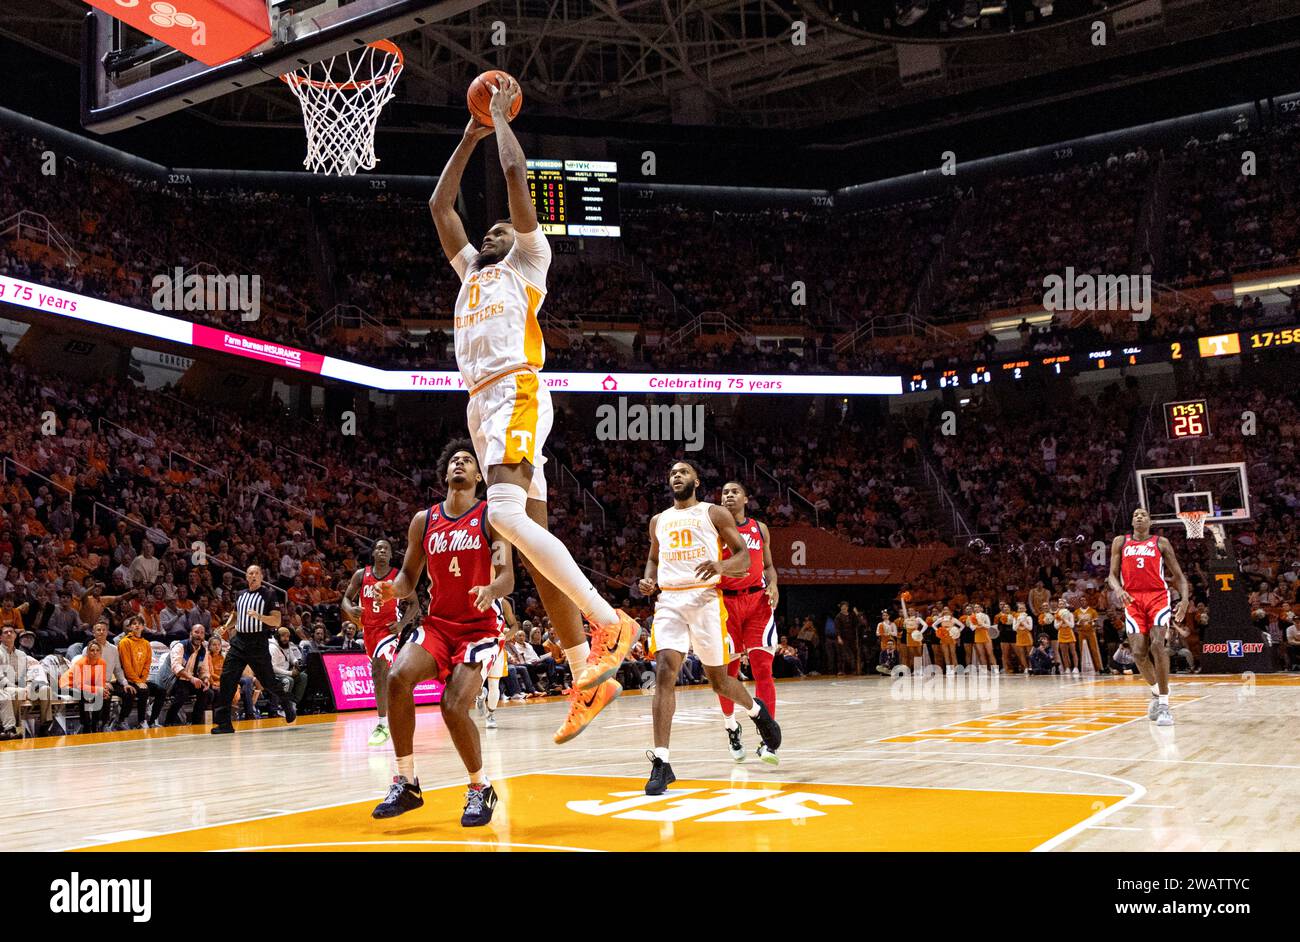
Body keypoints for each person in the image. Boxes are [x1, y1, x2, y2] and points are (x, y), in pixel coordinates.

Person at [429, 73, 638, 729]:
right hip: (482, 405)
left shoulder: (527, 260)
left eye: (499, 228)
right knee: (529, 538)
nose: (490, 230)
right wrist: (469, 135)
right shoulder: (471, 271)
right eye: (486, 230)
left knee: (501, 518)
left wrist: (501, 118)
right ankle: (585, 675)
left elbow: (517, 183)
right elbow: (440, 206)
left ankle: (609, 623)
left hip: (516, 390)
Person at [371, 442, 516, 826]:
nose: (459, 463)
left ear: (479, 478)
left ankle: (479, 788)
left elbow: (507, 577)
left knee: (453, 706)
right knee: (398, 677)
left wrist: (491, 590)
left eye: (467, 460)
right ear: (445, 473)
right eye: (454, 459)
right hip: (438, 624)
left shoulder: (492, 517)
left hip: (480, 627)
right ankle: (407, 782)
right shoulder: (424, 519)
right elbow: (407, 578)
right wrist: (394, 589)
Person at [638, 460, 782, 794]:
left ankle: (757, 712)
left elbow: (744, 557)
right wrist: (647, 579)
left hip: (705, 601)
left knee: (719, 680)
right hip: (670, 603)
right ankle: (662, 762)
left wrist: (720, 564)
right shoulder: (658, 520)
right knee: (664, 674)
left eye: (683, 472)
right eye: (672, 472)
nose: (677, 476)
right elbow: (653, 560)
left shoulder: (714, 513)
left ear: (696, 480)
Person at [714, 480, 780, 764]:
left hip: (756, 602)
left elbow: (768, 566)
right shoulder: (712, 529)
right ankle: (731, 727)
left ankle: (769, 740)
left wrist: (774, 584)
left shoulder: (760, 528)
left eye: (734, 492)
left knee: (762, 669)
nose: (728, 495)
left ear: (745, 499)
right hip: (725, 603)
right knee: (726, 675)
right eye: (724, 493)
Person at [1107, 508, 1191, 727]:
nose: (1139, 517)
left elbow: (1180, 577)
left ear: (1150, 521)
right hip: (1132, 600)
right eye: (1135, 514)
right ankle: (1157, 691)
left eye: (1143, 514)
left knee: (1157, 645)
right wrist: (1118, 589)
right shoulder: (1120, 542)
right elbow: (1112, 576)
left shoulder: (1160, 543)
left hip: (1157, 597)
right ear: (1132, 520)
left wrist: (1184, 600)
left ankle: (1164, 705)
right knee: (1137, 652)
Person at [341, 538, 418, 747]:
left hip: (389, 629)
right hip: (369, 630)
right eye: (379, 548)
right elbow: (345, 599)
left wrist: (402, 624)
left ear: (391, 555)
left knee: (378, 669)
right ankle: (395, 710)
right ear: (373, 553)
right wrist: (350, 609)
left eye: (386, 549)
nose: (382, 551)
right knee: (382, 675)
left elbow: (414, 605)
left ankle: (383, 724)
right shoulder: (361, 575)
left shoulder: (397, 578)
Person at [209, 565, 292, 734]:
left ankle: (286, 702)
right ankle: (224, 723)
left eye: (256, 573)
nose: (253, 576)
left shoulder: (269, 594)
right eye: (250, 573)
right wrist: (225, 627)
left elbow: (276, 621)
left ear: (261, 576)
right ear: (246, 577)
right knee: (227, 678)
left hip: (258, 642)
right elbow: (236, 615)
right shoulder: (240, 594)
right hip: (239, 642)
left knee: (267, 681)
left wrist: (259, 616)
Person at [0, 624, 53, 737]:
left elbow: (27, 674)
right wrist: (17, 687)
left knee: (45, 689)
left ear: (15, 636)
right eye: (6, 632)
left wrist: (33, 684)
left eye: (11, 632)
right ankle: (14, 728)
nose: (9, 634)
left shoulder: (22, 654)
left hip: (23, 685)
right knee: (17, 692)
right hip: (5, 687)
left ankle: (44, 725)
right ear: (0, 637)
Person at [115, 616, 155, 729]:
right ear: (130, 627)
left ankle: (151, 721)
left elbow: (147, 664)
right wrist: (138, 682)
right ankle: (135, 721)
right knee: (141, 691)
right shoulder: (124, 642)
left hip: (140, 680)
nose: (137, 625)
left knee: (161, 691)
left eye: (139, 623)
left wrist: (142, 680)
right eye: (134, 623)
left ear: (143, 627)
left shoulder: (146, 643)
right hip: (128, 679)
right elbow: (126, 666)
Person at [62, 639, 110, 733]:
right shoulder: (80, 663)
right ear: (87, 652)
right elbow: (78, 685)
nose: (95, 653)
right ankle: (86, 725)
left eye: (97, 650)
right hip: (68, 685)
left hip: (85, 686)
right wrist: (97, 689)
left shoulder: (102, 663)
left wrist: (104, 691)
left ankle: (96, 724)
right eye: (92, 650)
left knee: (103, 696)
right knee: (83, 695)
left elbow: (100, 683)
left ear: (100, 652)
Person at [269, 627, 308, 711]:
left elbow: (292, 658)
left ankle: (293, 703)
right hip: (275, 674)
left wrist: (296, 663)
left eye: (288, 636)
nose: (286, 639)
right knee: (289, 680)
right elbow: (273, 667)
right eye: (283, 636)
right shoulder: (272, 648)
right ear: (277, 636)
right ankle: (282, 707)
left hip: (286, 672)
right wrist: (290, 673)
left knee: (303, 676)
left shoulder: (287, 645)